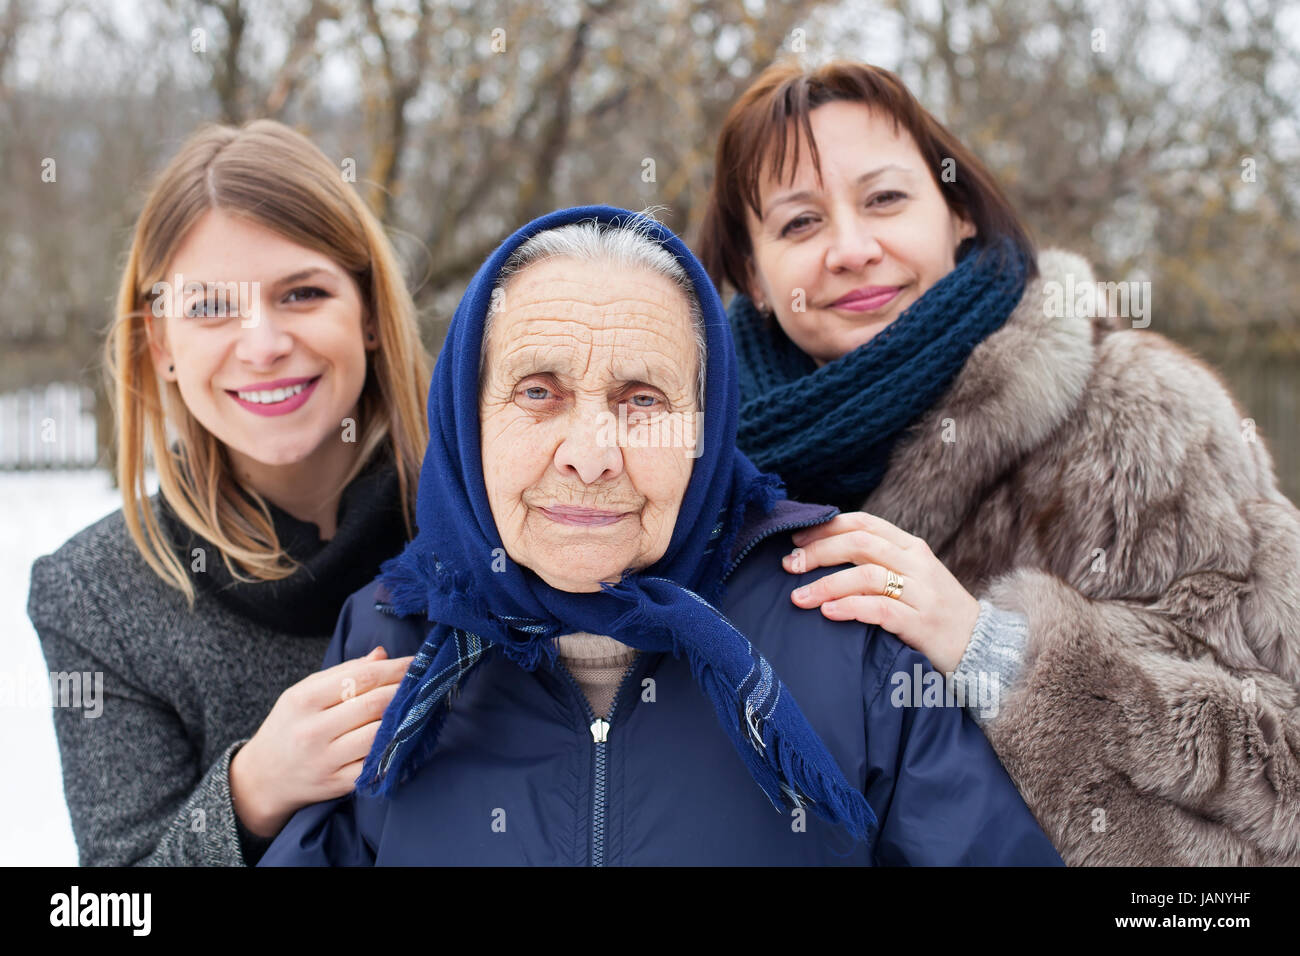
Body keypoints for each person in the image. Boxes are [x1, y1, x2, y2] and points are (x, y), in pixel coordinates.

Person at [258, 206, 1063, 866]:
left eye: (643, 400)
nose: (589, 456)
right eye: (538, 392)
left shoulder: (842, 626)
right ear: (468, 420)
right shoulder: (386, 639)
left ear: (707, 430)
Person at [697, 60, 1300, 865]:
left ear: (958, 215)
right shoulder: (700, 485)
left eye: (885, 199)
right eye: (800, 223)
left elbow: (1283, 777)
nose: (851, 248)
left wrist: (992, 655)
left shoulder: (1142, 418)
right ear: (753, 276)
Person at [27, 119, 430, 865]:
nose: (263, 343)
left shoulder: (496, 531)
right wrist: (250, 792)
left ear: (368, 314)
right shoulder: (96, 597)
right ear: (162, 344)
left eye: (302, 293)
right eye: (211, 307)